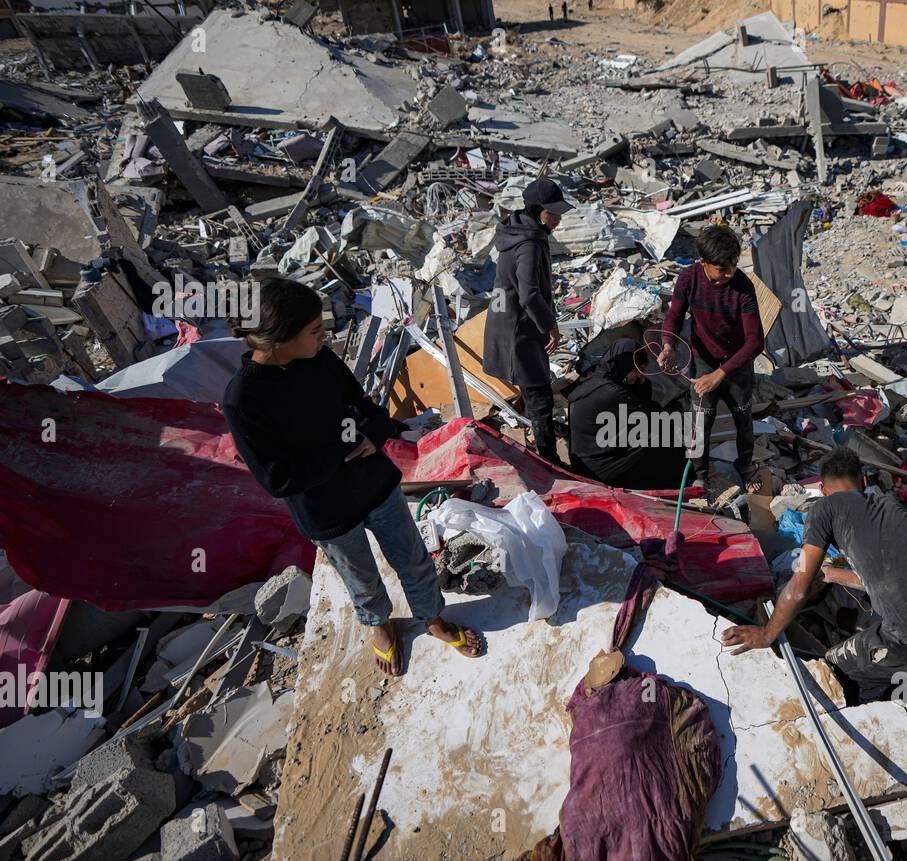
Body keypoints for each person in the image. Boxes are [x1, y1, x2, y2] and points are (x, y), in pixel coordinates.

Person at [222, 277, 483, 675]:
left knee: (413, 559)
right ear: (279, 338)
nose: (323, 336)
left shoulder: (321, 361)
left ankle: (433, 619)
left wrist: (375, 436)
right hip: (327, 511)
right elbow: (277, 479)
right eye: (313, 330)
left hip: (375, 485)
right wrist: (343, 452)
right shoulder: (243, 400)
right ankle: (380, 628)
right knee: (361, 580)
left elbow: (367, 408)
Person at [722, 448, 907, 701]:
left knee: (834, 666)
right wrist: (831, 574)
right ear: (864, 481)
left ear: (822, 489)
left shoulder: (824, 509)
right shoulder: (892, 506)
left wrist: (767, 633)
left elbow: (799, 586)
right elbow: (889, 576)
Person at [660, 224, 764, 493]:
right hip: (702, 360)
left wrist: (720, 375)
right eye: (722, 269)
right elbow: (674, 316)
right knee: (699, 422)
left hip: (736, 364)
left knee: (743, 418)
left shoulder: (743, 287)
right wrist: (668, 345)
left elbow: (755, 341)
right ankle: (700, 474)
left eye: (733, 266)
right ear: (703, 262)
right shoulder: (688, 279)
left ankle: (745, 466)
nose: (729, 273)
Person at [482, 177, 572, 464]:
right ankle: (548, 461)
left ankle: (543, 453)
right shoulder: (530, 243)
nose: (557, 220)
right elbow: (529, 293)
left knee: (534, 391)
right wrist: (551, 326)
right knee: (539, 396)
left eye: (559, 214)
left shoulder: (515, 230)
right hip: (519, 328)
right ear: (536, 209)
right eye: (552, 213)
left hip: (508, 322)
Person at [564, 339, 688, 490]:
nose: (639, 375)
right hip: (598, 469)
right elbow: (654, 414)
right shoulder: (611, 392)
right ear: (625, 363)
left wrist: (639, 381)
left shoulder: (598, 374)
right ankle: (677, 480)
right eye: (638, 370)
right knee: (663, 433)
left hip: (587, 458)